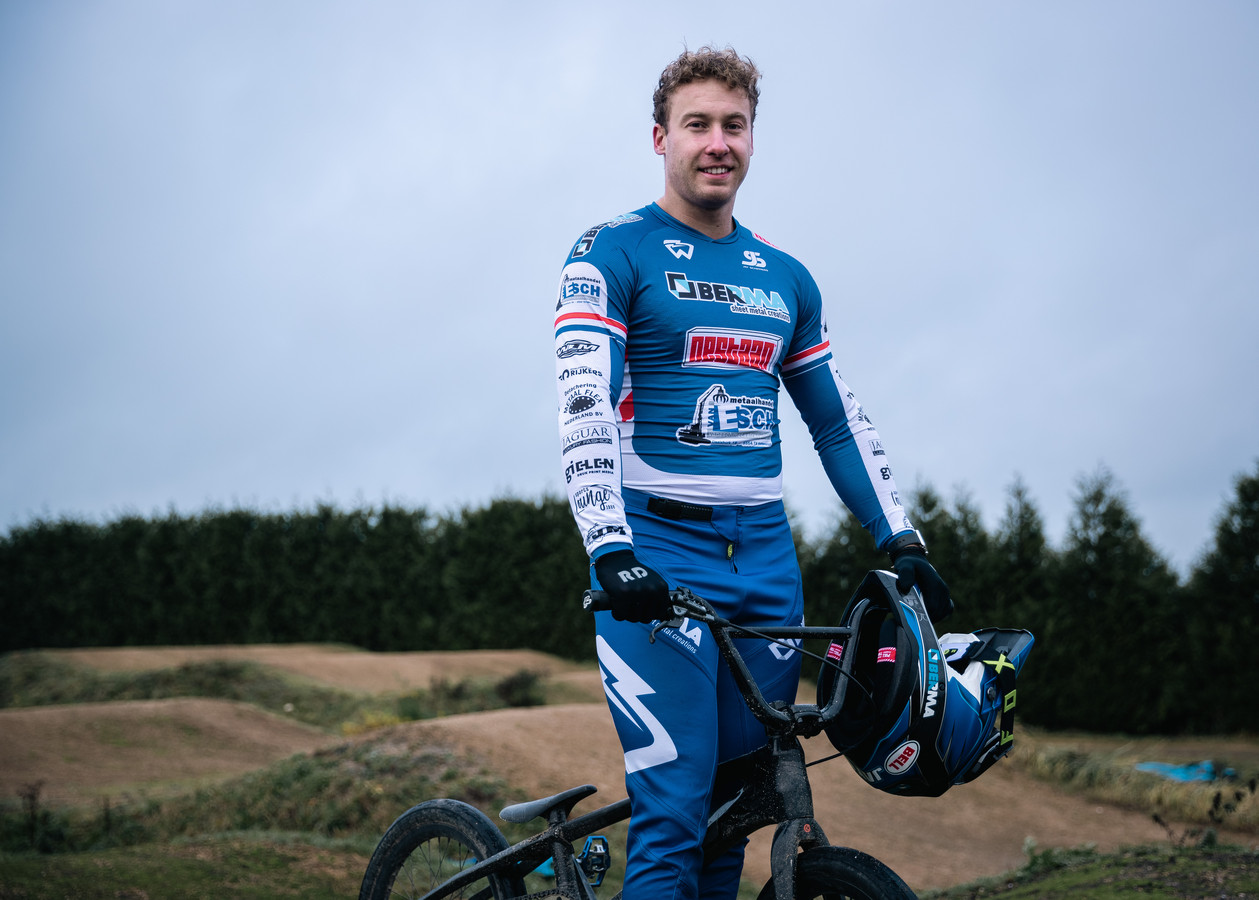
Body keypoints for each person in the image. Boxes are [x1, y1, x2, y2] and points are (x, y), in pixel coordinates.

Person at [552, 46, 952, 900]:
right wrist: (608, 548)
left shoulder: (786, 278)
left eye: (733, 126)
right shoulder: (610, 252)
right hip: (656, 551)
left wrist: (901, 537)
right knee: (672, 816)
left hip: (766, 565)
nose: (716, 142)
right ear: (659, 138)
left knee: (736, 817)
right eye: (696, 125)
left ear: (751, 141)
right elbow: (583, 405)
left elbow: (837, 423)